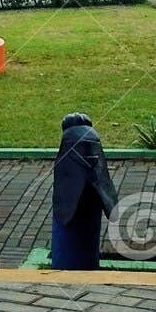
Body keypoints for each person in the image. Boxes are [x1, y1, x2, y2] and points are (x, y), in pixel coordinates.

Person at [51, 113, 118, 269]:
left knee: (67, 256)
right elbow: (103, 179)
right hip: (90, 202)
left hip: (68, 211)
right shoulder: (93, 140)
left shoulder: (68, 142)